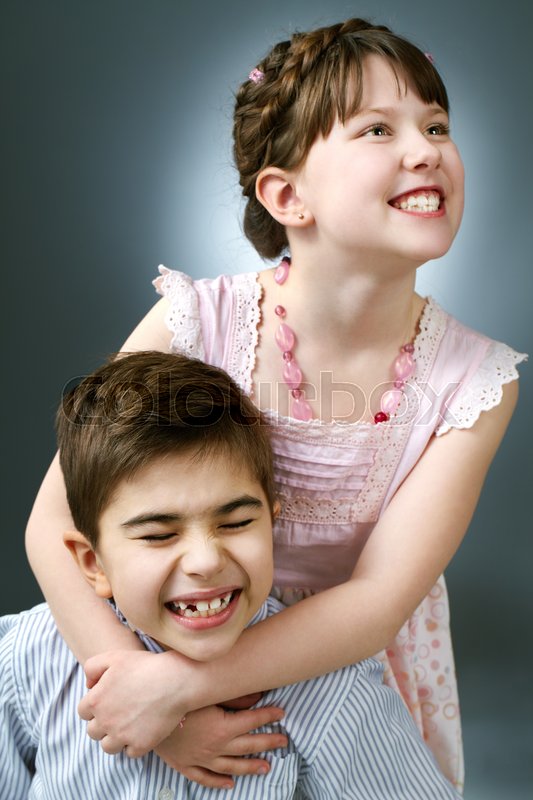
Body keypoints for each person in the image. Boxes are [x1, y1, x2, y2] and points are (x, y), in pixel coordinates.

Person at [25, 17, 526, 795]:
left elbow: (374, 600)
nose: (425, 148)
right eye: (376, 129)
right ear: (287, 195)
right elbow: (55, 523)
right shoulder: (198, 324)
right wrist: (138, 681)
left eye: (435, 125)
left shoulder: (474, 381)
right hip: (170, 623)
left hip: (341, 655)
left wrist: (183, 691)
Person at [1, 351, 462, 799]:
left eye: (236, 523)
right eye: (160, 534)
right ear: (92, 563)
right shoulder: (26, 660)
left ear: (271, 525)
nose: (206, 560)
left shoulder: (333, 694)